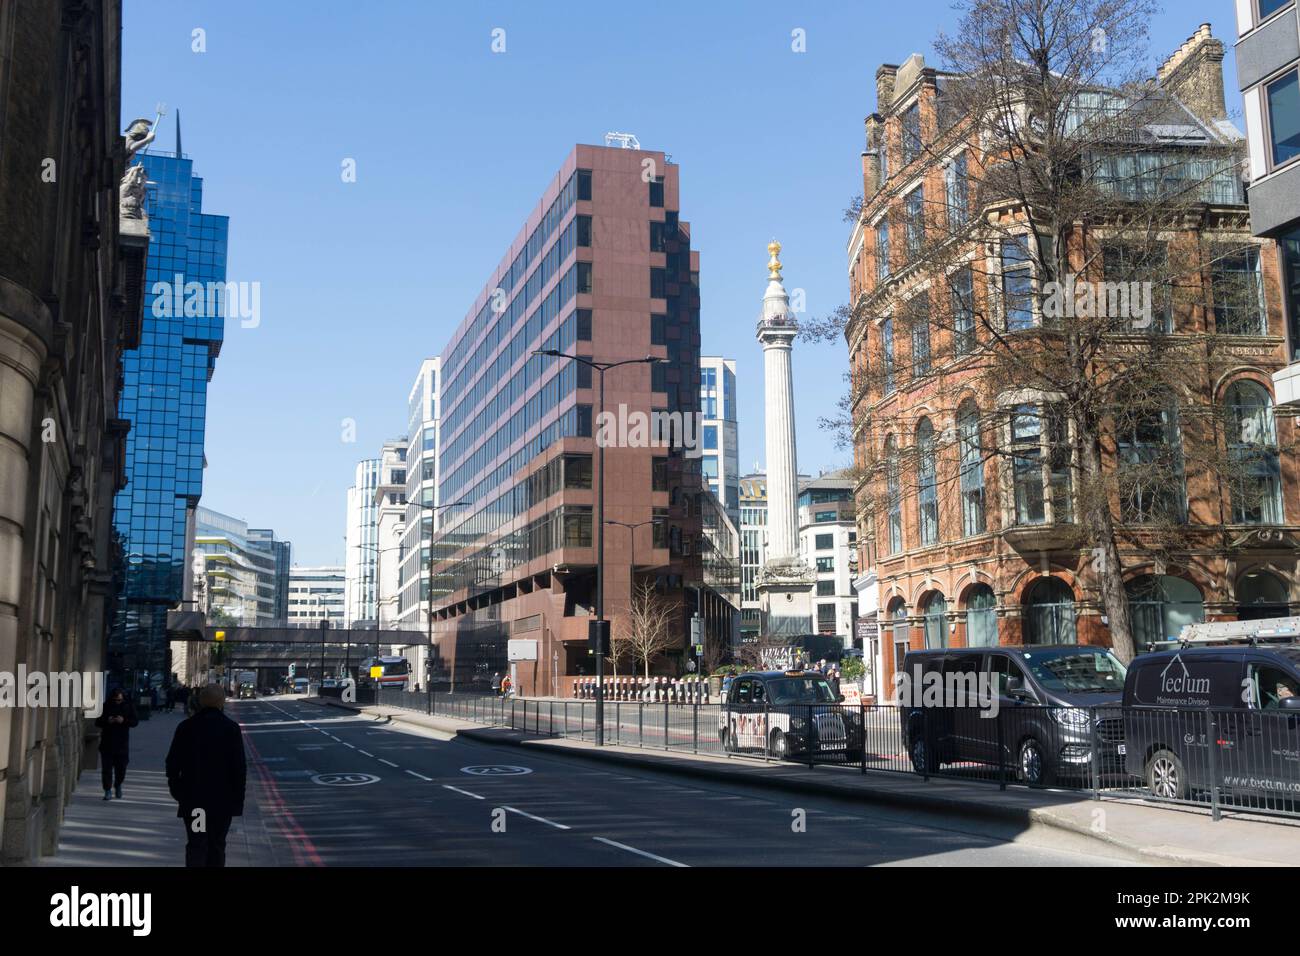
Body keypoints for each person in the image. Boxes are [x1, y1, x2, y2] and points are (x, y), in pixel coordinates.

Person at [165, 684, 247, 867]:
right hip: (221, 804)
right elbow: (239, 769)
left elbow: (172, 763)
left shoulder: (186, 727)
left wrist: (178, 792)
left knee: (197, 842)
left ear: (200, 701)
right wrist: (237, 802)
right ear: (222, 702)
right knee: (217, 845)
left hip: (195, 803)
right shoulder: (231, 728)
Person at [94, 687, 138, 800]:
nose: (117, 702)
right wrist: (107, 721)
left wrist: (123, 721)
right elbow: (97, 722)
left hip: (122, 743)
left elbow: (135, 722)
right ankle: (107, 790)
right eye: (115, 700)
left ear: (123, 699)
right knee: (106, 769)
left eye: (119, 700)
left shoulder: (128, 706)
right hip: (107, 742)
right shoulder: (105, 706)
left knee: (121, 768)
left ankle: (118, 784)